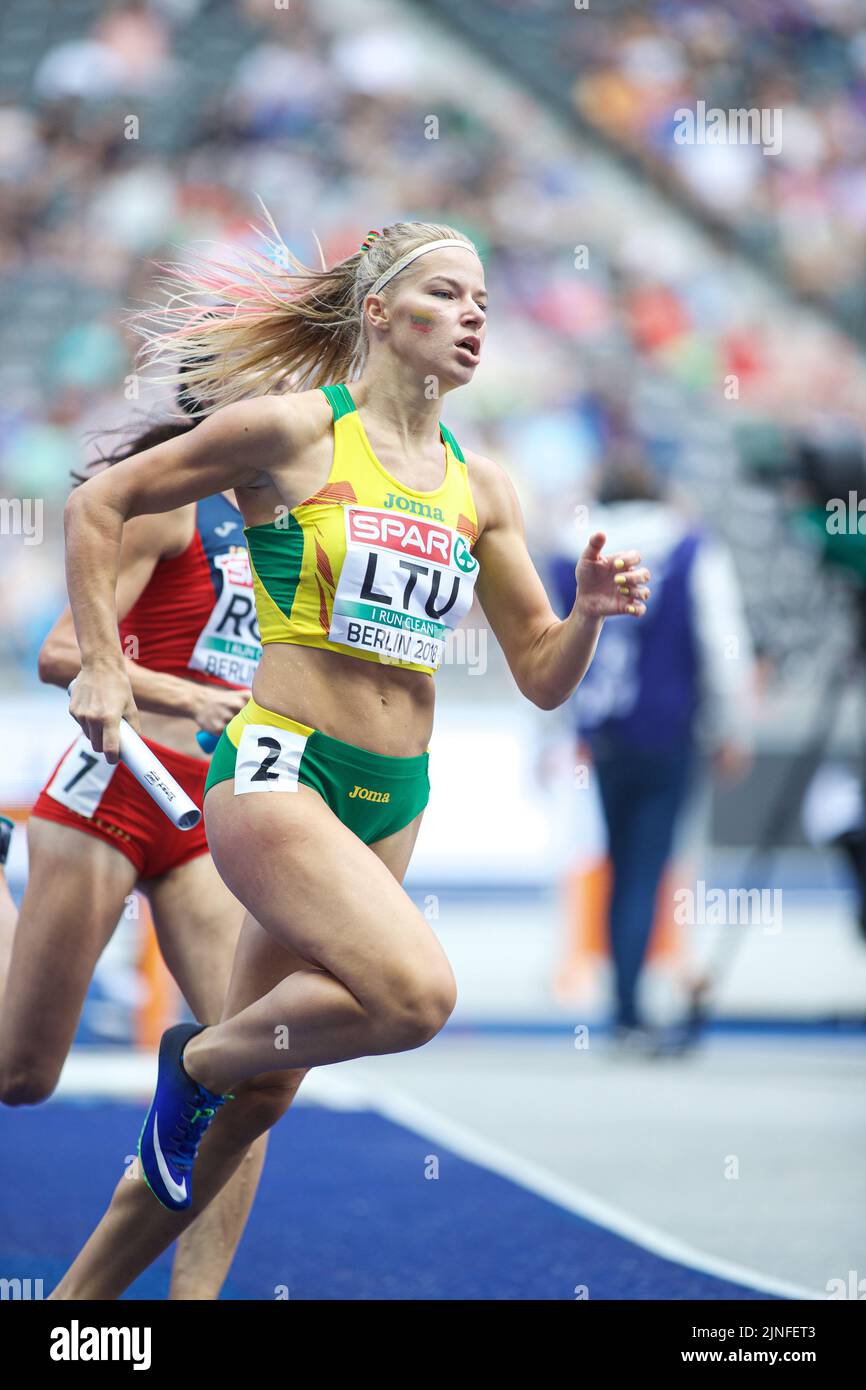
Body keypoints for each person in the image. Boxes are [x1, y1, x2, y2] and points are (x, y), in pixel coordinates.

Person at [52, 220, 651, 1298]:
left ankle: (81, 1311)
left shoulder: (483, 487)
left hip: (395, 793)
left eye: (482, 299)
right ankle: (191, 1060)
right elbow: (100, 502)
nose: (474, 313)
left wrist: (589, 616)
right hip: (282, 771)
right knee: (413, 997)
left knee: (265, 1094)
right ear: (379, 312)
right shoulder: (291, 431)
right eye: (446, 292)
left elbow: (540, 674)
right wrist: (102, 663)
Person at [0, 418, 272, 1300]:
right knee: (21, 1075)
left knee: (245, 1067)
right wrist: (184, 691)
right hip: (111, 789)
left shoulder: (305, 521)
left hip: (208, 811)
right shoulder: (174, 509)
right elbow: (62, 654)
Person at [549, 453, 754, 1047]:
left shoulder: (572, 550)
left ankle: (624, 1001)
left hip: (602, 731)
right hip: (668, 727)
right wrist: (731, 725)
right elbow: (723, 640)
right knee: (648, 865)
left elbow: (541, 634)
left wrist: (557, 732)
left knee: (618, 863)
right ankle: (631, 1008)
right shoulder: (690, 546)